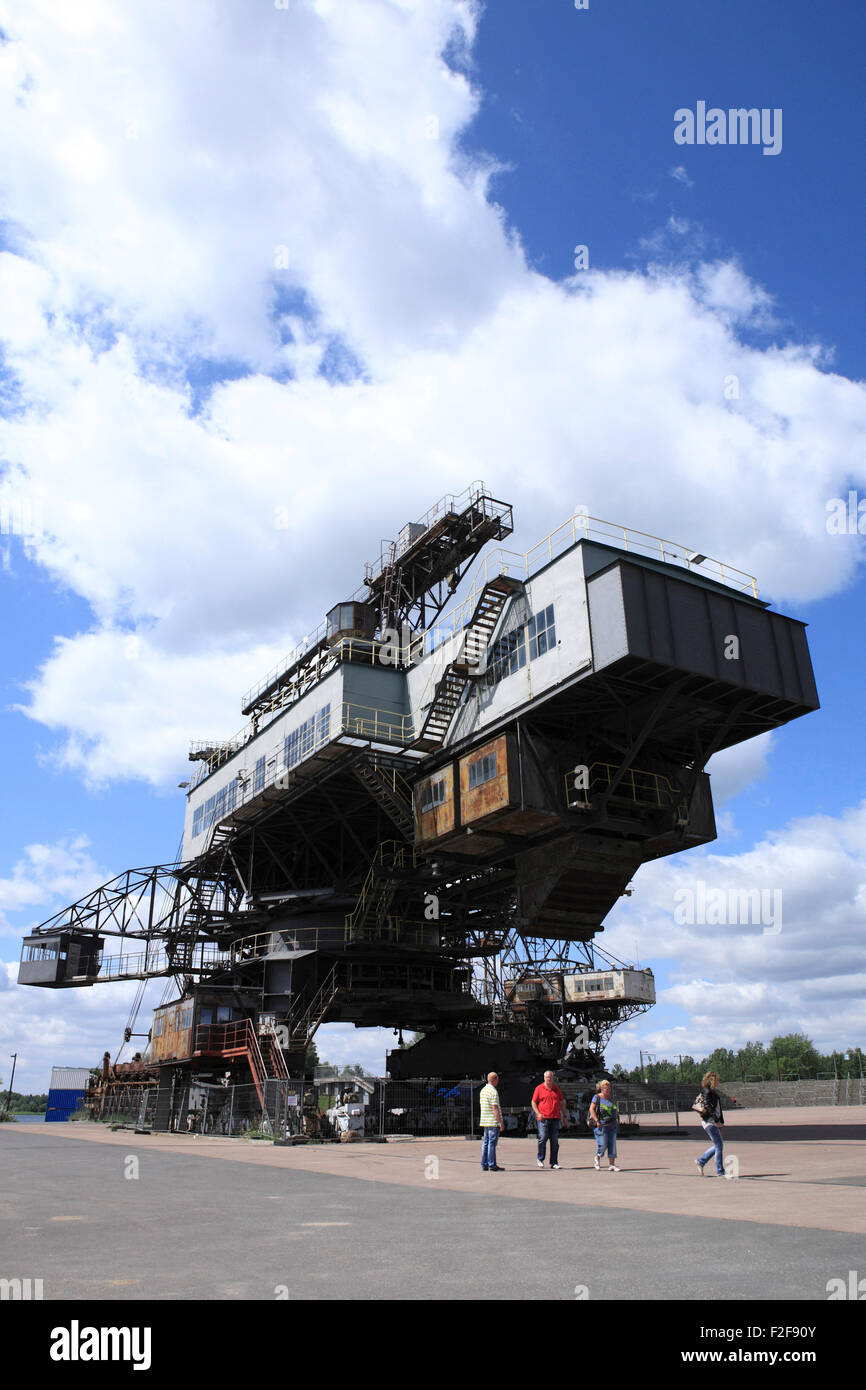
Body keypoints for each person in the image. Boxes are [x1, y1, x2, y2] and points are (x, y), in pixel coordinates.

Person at [531, 1070, 567, 1169]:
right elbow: (533, 1102)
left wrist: (565, 1116)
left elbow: (561, 1103)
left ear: (553, 1078)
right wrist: (538, 1113)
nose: (549, 1079)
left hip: (555, 1118)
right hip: (543, 1118)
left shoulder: (556, 1089)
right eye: (547, 1077)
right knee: (542, 1138)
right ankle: (540, 1159)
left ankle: (554, 1162)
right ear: (544, 1078)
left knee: (554, 1141)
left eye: (550, 1077)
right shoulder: (539, 1088)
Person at [695, 1070, 725, 1176]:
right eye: (717, 1079)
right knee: (719, 1145)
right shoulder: (707, 1091)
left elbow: (717, 1108)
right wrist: (716, 1121)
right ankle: (720, 1170)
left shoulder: (712, 1091)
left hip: (713, 1121)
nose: (719, 1081)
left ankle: (701, 1161)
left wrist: (720, 1122)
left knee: (718, 1145)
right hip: (709, 1122)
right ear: (712, 1080)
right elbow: (707, 1106)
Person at [588, 1080, 620, 1171]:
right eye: (606, 1088)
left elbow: (614, 1109)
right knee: (603, 1144)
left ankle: (612, 1165)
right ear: (601, 1089)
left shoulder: (611, 1098)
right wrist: (597, 1121)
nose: (608, 1090)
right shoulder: (597, 1097)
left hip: (612, 1125)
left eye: (609, 1088)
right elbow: (592, 1109)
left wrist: (616, 1118)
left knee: (612, 1144)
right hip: (601, 1125)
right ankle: (597, 1157)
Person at [479, 1071, 504, 1171]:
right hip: (493, 1121)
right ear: (495, 1080)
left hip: (485, 1120)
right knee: (492, 1143)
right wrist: (500, 1122)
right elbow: (495, 1108)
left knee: (486, 1142)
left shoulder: (483, 1090)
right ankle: (492, 1164)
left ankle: (484, 1164)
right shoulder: (493, 1091)